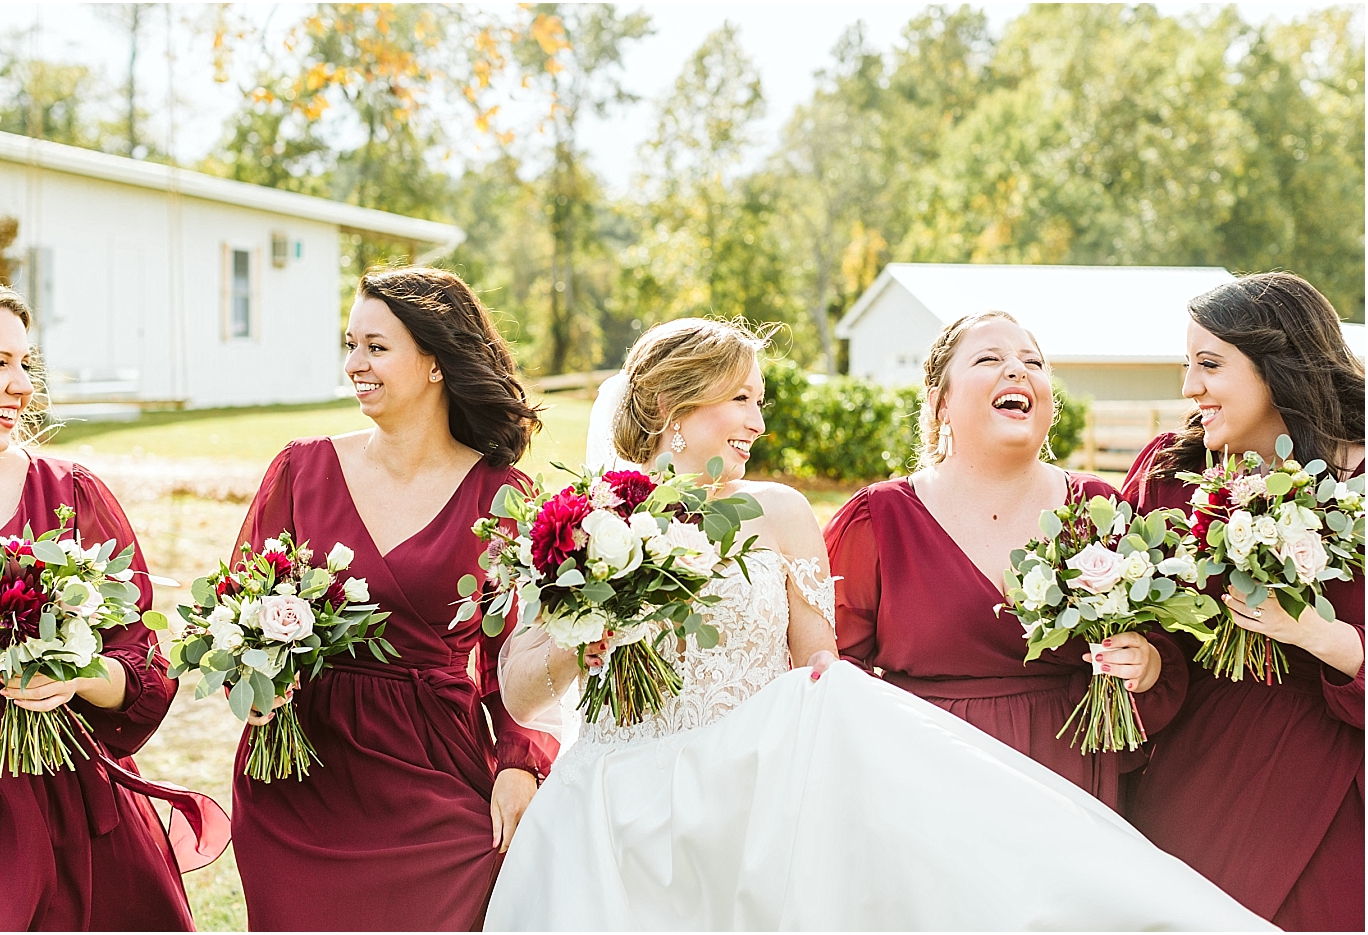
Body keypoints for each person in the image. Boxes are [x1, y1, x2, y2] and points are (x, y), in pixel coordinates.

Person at [484, 317, 1269, 931]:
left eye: (761, 398)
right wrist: (590, 627)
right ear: (669, 410)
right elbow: (521, 695)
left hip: (749, 809)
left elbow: (821, 674)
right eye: (741, 398)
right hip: (612, 811)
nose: (758, 419)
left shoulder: (783, 513)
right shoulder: (576, 524)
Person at [229, 267, 558, 931]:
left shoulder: (500, 492)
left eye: (376, 347)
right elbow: (241, 607)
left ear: (436, 361)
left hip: (429, 762)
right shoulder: (301, 468)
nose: (355, 364)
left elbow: (512, 654)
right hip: (302, 767)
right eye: (349, 344)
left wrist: (519, 764)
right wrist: (254, 677)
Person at [824, 310, 1186, 809]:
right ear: (940, 403)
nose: (1017, 369)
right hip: (927, 788)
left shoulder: (1098, 509)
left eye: (1033, 361)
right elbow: (832, 665)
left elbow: (1163, 648)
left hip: (1067, 787)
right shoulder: (878, 519)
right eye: (989, 358)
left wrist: (1144, 664)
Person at [0, 279, 227, 931]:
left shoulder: (71, 492)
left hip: (69, 797)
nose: (23, 386)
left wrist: (77, 674)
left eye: (26, 363)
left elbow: (141, 660)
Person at [1121, 272, 1364, 931]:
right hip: (1195, 779)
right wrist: (1143, 654)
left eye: (1209, 364)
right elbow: (1135, 616)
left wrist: (1321, 635)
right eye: (1185, 364)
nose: (1188, 387)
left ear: (1276, 365)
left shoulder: (1362, 481)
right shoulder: (1169, 474)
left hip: (1333, 792)